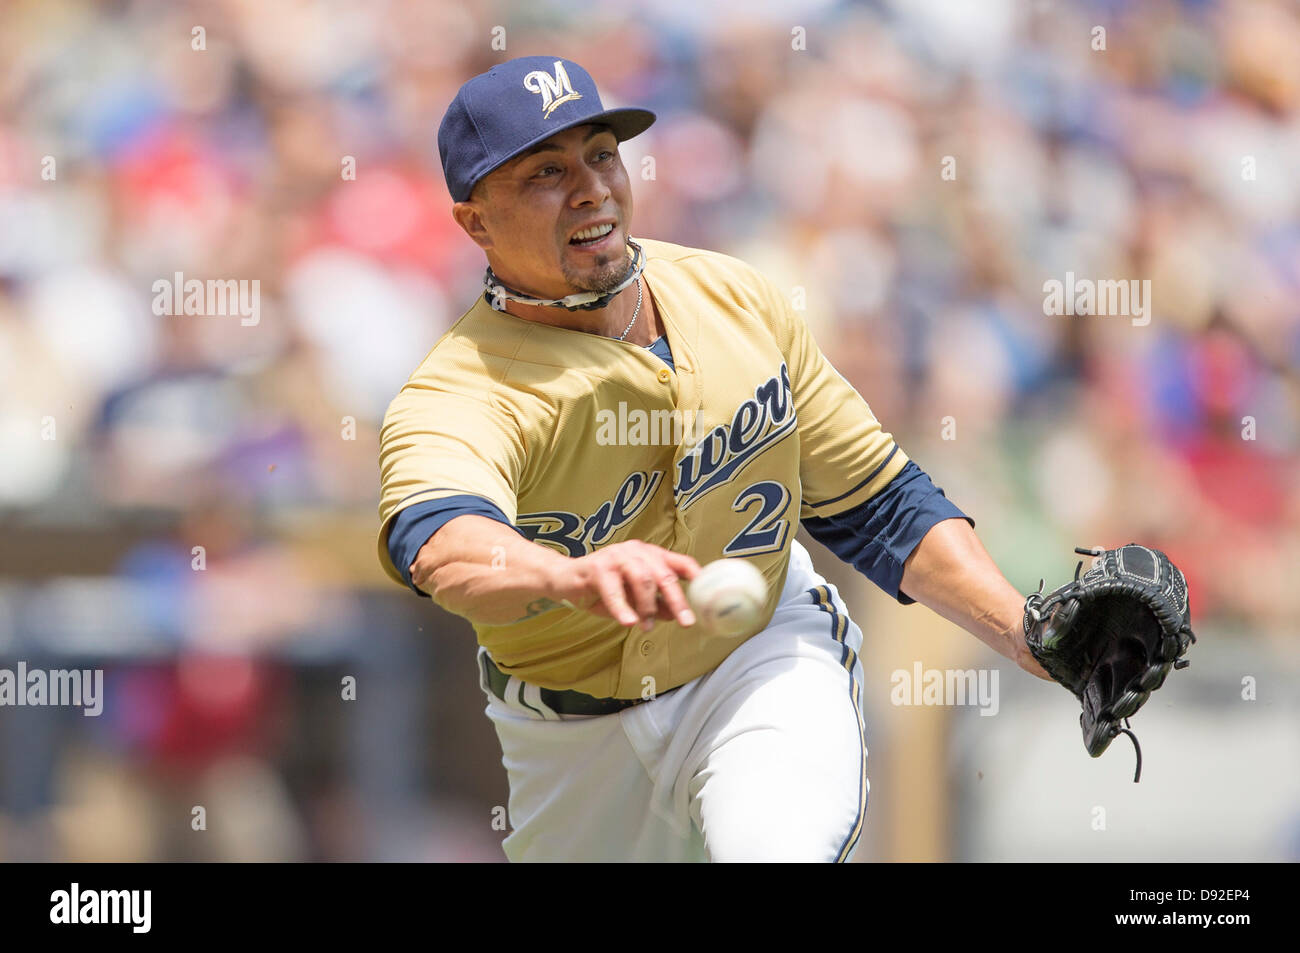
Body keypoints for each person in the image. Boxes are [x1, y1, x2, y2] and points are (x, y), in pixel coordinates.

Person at [377, 55, 1050, 862]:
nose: (590, 187)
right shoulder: (461, 387)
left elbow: (881, 502)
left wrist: (1025, 630)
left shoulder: (738, 297)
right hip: (573, 735)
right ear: (476, 222)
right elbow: (438, 541)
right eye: (545, 172)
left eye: (600, 153)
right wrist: (564, 574)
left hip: (760, 655)